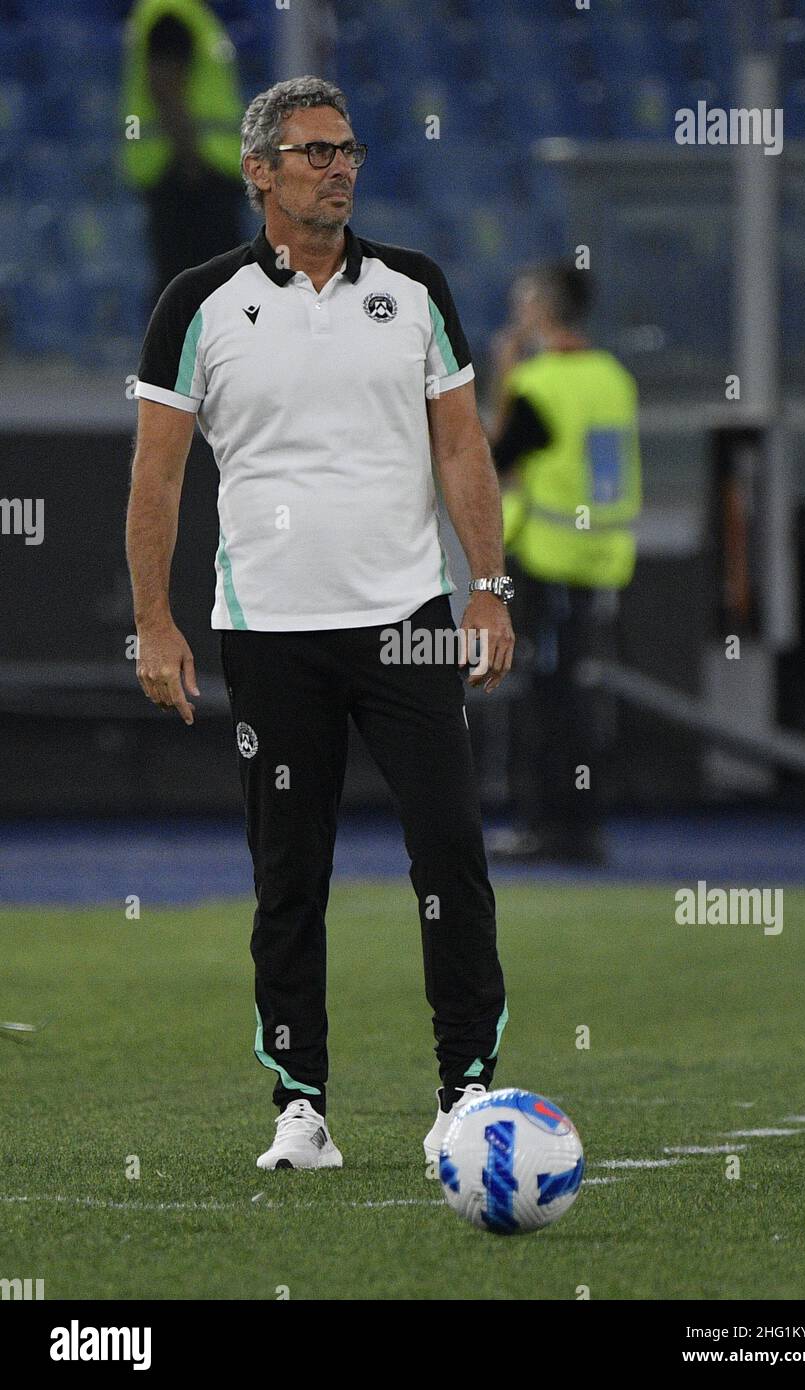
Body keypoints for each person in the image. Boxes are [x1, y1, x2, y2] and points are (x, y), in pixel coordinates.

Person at [125, 77, 514, 1172]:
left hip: (409, 623)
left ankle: (466, 1091)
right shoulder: (196, 306)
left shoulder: (416, 287)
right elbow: (156, 481)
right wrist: (155, 621)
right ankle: (301, 1103)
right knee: (288, 873)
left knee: (451, 851)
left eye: (346, 149)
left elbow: (459, 447)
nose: (337, 167)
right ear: (260, 170)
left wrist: (491, 586)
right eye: (312, 152)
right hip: (272, 636)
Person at [488, 264, 642, 865]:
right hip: (602, 554)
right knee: (576, 695)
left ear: (543, 311)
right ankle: (580, 826)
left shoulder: (542, 384)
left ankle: (552, 828)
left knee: (546, 701)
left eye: (524, 301)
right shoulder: (612, 377)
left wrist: (506, 375)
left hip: (551, 557)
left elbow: (496, 459)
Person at [120, 0, 246, 302]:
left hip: (190, 171)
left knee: (192, 289)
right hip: (191, 176)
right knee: (200, 290)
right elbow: (164, 85)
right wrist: (192, 161)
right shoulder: (172, 13)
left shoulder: (178, 13)